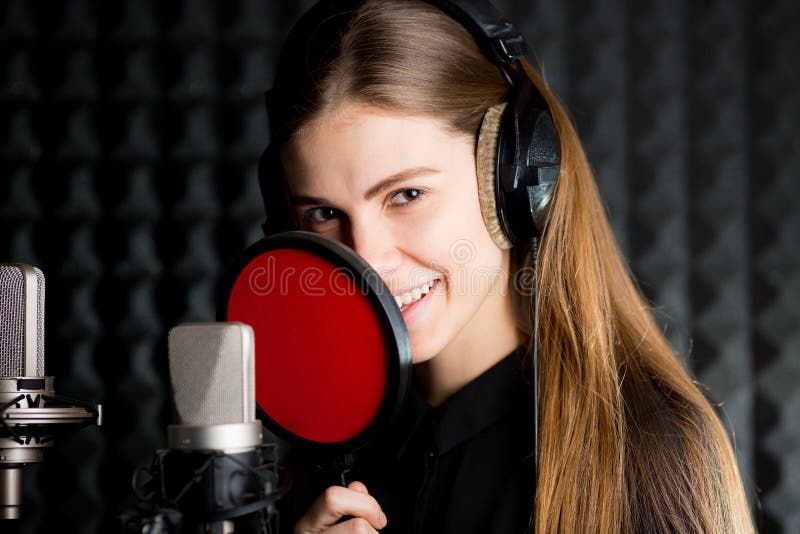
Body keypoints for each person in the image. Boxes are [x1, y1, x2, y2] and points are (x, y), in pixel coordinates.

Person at [258, 1, 755, 532]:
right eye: (325, 213)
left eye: (406, 194)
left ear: (513, 181)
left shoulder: (646, 453)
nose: (366, 260)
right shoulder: (322, 460)